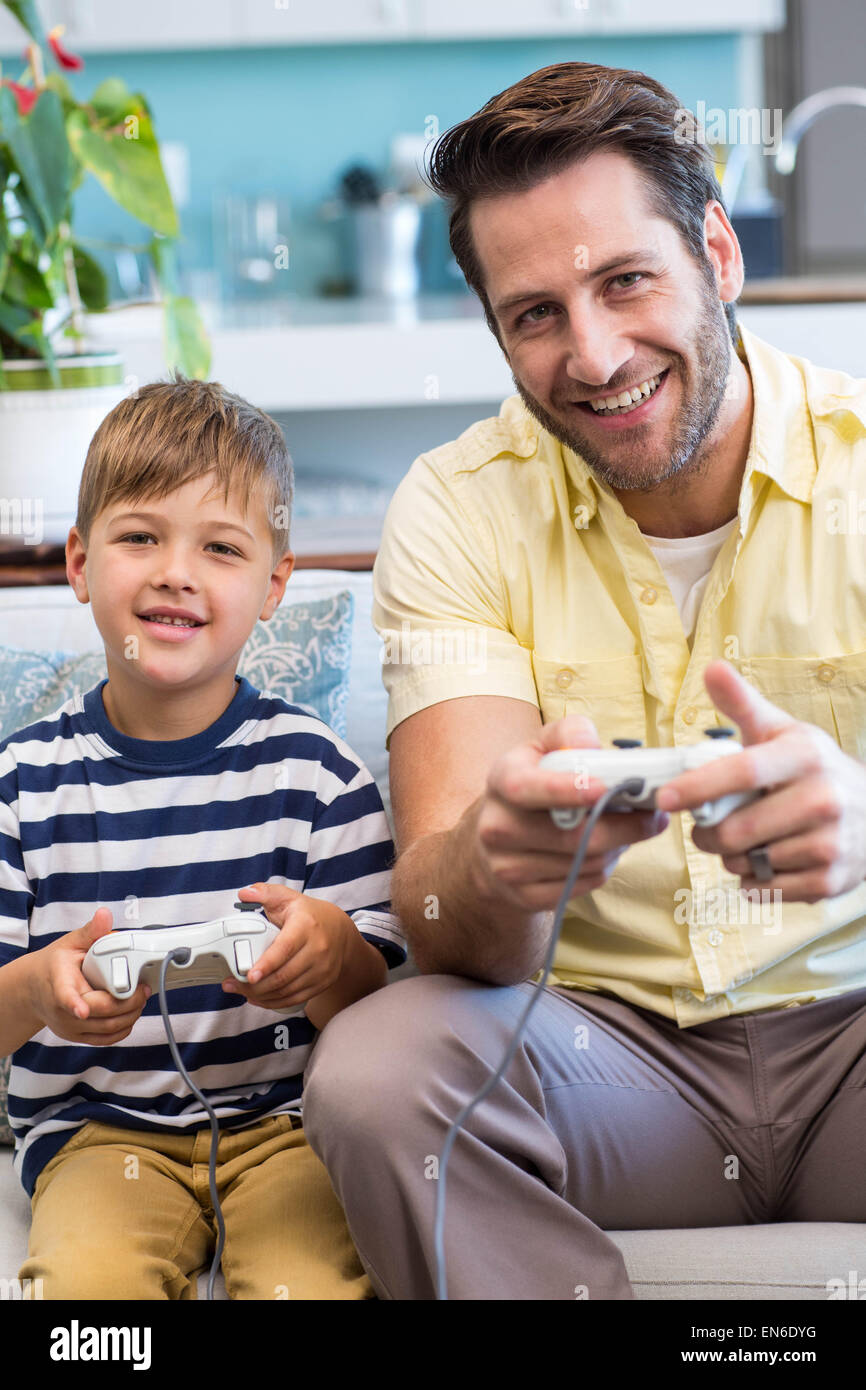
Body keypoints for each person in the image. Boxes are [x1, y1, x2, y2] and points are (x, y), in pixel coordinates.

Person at [301, 61, 866, 1299]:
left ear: (715, 252)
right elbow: (449, 933)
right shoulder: (459, 507)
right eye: (535, 313)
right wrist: (492, 870)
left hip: (850, 1041)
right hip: (607, 1065)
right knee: (377, 1068)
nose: (596, 354)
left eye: (624, 280)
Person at [0, 377, 405, 1299]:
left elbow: (377, 1002)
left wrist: (328, 955)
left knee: (312, 1287)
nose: (175, 572)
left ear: (273, 587)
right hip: (97, 1135)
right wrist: (43, 992)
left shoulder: (319, 776)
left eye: (220, 548)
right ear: (77, 562)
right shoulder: (22, 788)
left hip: (291, 1130)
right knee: (84, 1302)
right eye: (140, 536)